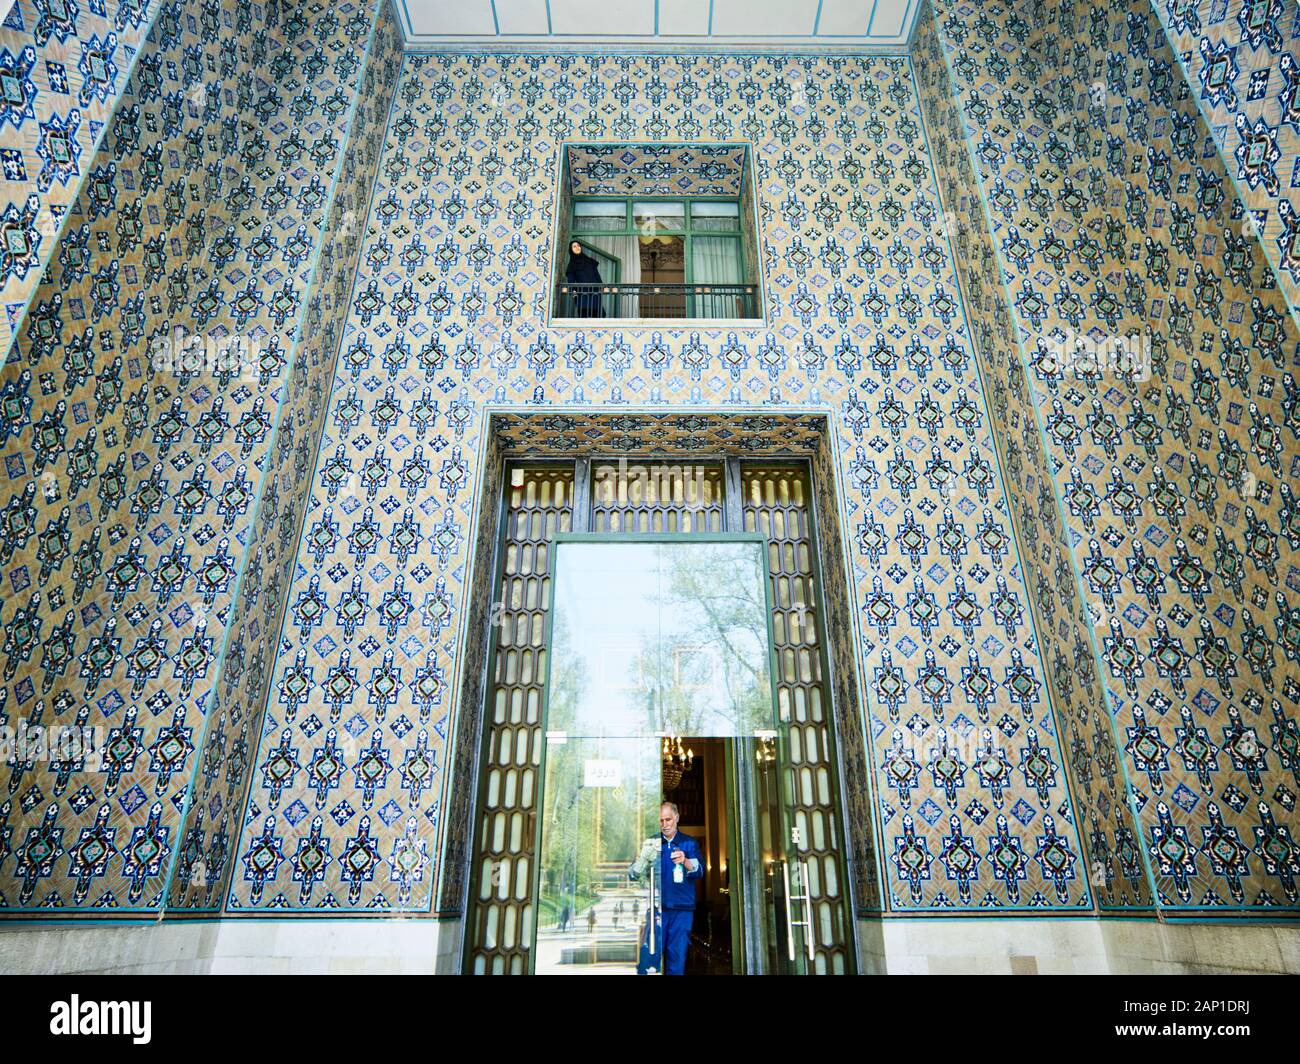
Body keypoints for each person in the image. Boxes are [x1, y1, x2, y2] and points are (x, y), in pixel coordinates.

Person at [628, 801, 703, 975]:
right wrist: (642, 859)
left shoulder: (689, 844)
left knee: (676, 960)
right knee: (649, 958)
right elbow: (633, 875)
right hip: (655, 910)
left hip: (681, 909)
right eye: (661, 820)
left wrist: (685, 861)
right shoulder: (650, 843)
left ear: (676, 818)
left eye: (668, 819)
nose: (664, 824)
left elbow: (699, 871)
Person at [564, 240, 603, 317]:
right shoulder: (571, 265)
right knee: (584, 316)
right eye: (574, 246)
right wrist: (574, 293)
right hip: (582, 295)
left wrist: (601, 286)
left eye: (578, 245)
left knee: (597, 317)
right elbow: (571, 281)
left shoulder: (589, 261)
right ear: (571, 250)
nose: (577, 247)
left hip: (594, 293)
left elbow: (597, 275)